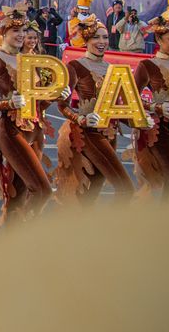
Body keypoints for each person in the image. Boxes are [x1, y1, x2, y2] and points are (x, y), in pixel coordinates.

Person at [0, 8, 65, 224]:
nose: (20, 35)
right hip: (11, 128)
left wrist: (55, 96)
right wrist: (8, 102)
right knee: (43, 189)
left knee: (18, 193)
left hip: (35, 128)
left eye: (23, 30)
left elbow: (38, 103)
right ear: (4, 32)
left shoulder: (29, 59)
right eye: (15, 30)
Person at [55, 16, 136, 203]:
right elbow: (62, 105)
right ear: (87, 40)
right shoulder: (75, 66)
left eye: (105, 38)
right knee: (125, 189)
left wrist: (140, 121)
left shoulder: (112, 69)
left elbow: (120, 109)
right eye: (96, 38)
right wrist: (81, 119)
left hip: (110, 135)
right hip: (88, 135)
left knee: (90, 192)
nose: (102, 42)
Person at [134, 7, 169, 197]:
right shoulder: (147, 65)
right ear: (158, 40)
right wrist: (156, 107)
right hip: (160, 131)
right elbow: (130, 96)